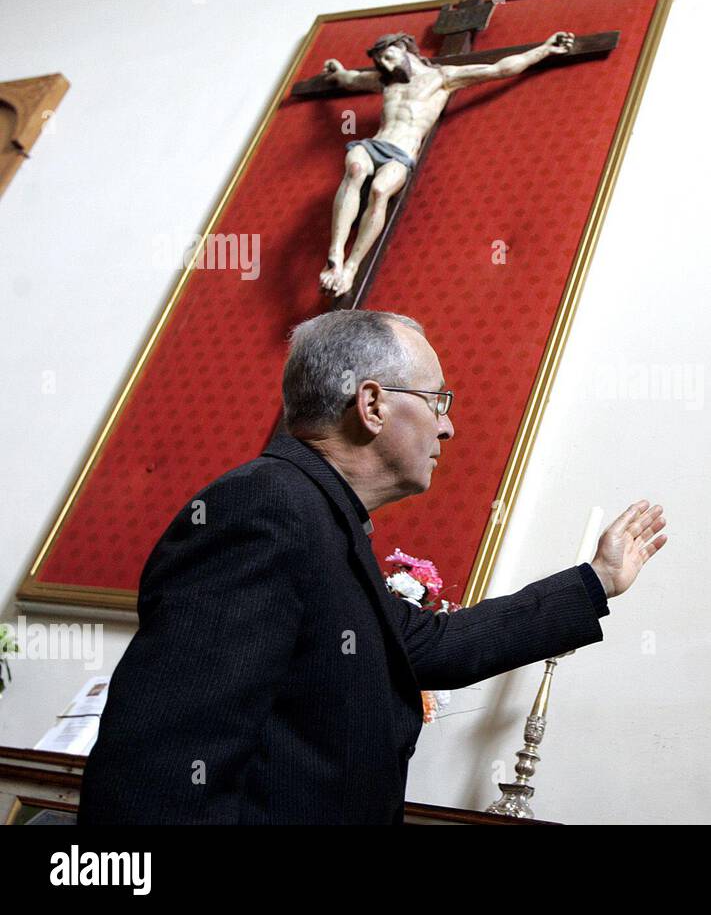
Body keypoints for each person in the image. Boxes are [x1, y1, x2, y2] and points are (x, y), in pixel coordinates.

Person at [78, 310, 667, 824]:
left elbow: (433, 647)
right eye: (437, 400)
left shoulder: (319, 520)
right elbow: (161, 762)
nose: (448, 425)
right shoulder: (264, 508)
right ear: (372, 404)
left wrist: (597, 581)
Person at [317, 30, 575, 297]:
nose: (384, 63)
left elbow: (499, 69)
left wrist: (543, 49)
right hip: (373, 144)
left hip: (401, 153)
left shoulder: (442, 77)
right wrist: (337, 72)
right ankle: (335, 256)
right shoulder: (385, 82)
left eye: (388, 55)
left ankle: (350, 268)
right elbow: (351, 79)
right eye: (380, 60)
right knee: (356, 168)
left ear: (404, 48)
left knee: (380, 190)